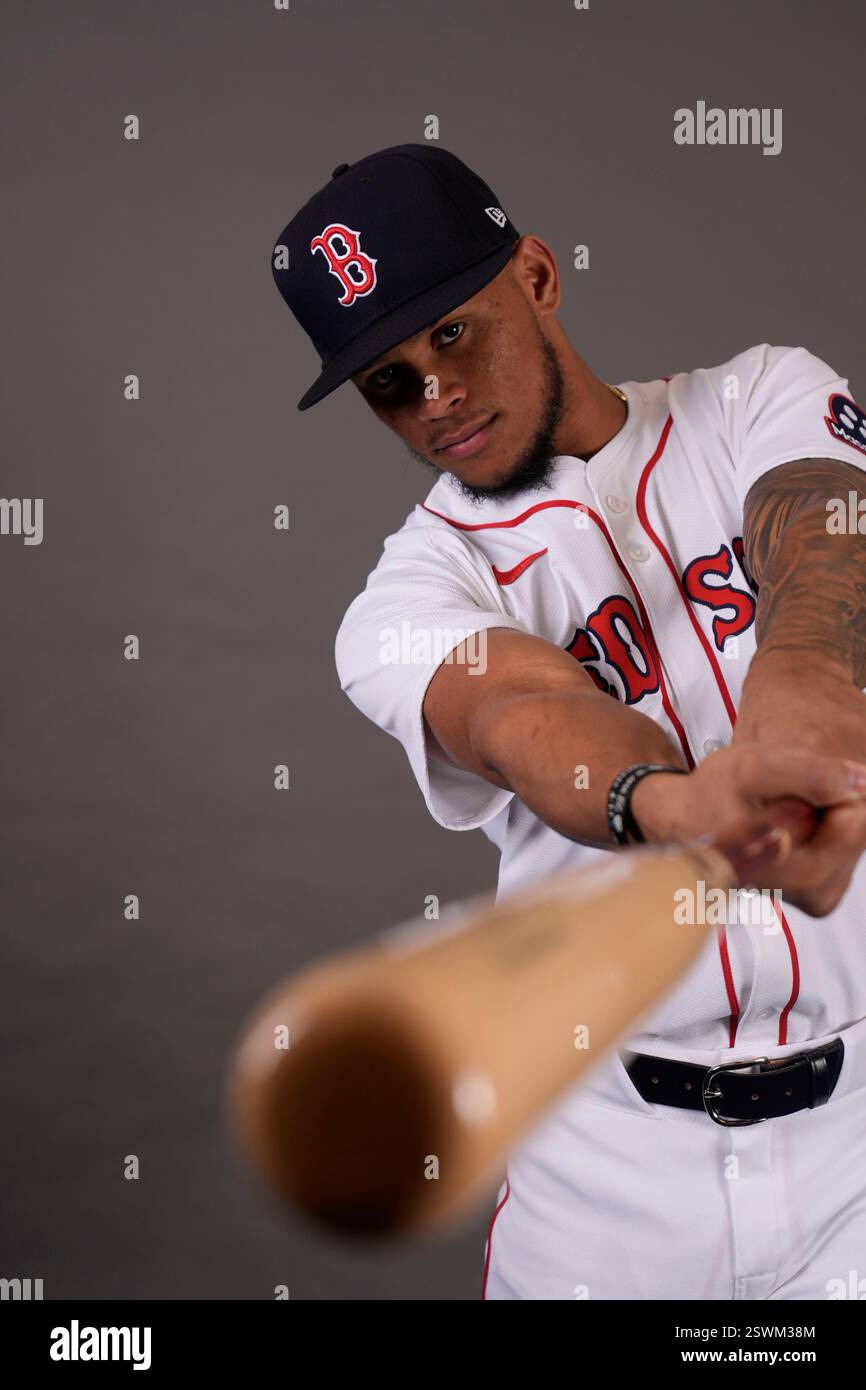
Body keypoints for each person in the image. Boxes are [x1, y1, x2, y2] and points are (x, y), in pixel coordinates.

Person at [272, 143, 866, 1300]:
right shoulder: (403, 595)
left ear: (536, 276)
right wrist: (673, 805)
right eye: (387, 378)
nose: (433, 391)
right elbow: (519, 710)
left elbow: (826, 540)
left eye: (450, 330)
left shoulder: (755, 397)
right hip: (607, 1182)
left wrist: (806, 694)